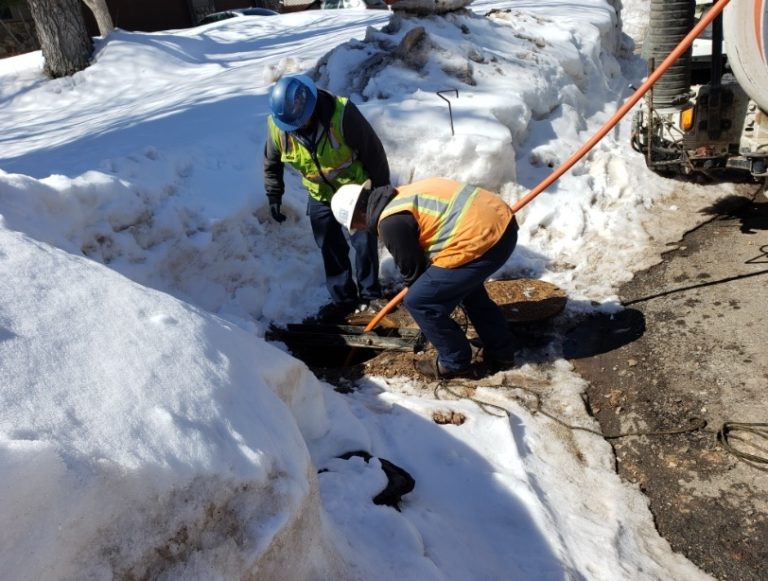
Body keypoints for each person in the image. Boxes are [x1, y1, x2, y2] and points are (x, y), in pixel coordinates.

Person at [330, 177, 519, 379]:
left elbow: (414, 273)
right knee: (468, 291)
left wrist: (428, 294)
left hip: (484, 240)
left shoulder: (390, 223)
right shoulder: (401, 195)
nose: (361, 230)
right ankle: (501, 351)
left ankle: (454, 362)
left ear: (359, 217)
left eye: (357, 226)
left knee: (419, 301)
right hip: (501, 225)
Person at [263, 74, 390, 322]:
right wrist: (274, 194)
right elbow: (271, 162)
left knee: (364, 241)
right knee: (329, 246)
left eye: (301, 121)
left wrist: (380, 193)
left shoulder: (342, 115)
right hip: (320, 194)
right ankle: (343, 301)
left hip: (356, 190)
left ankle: (371, 296)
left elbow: (373, 152)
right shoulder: (279, 127)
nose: (297, 128)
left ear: (310, 107)